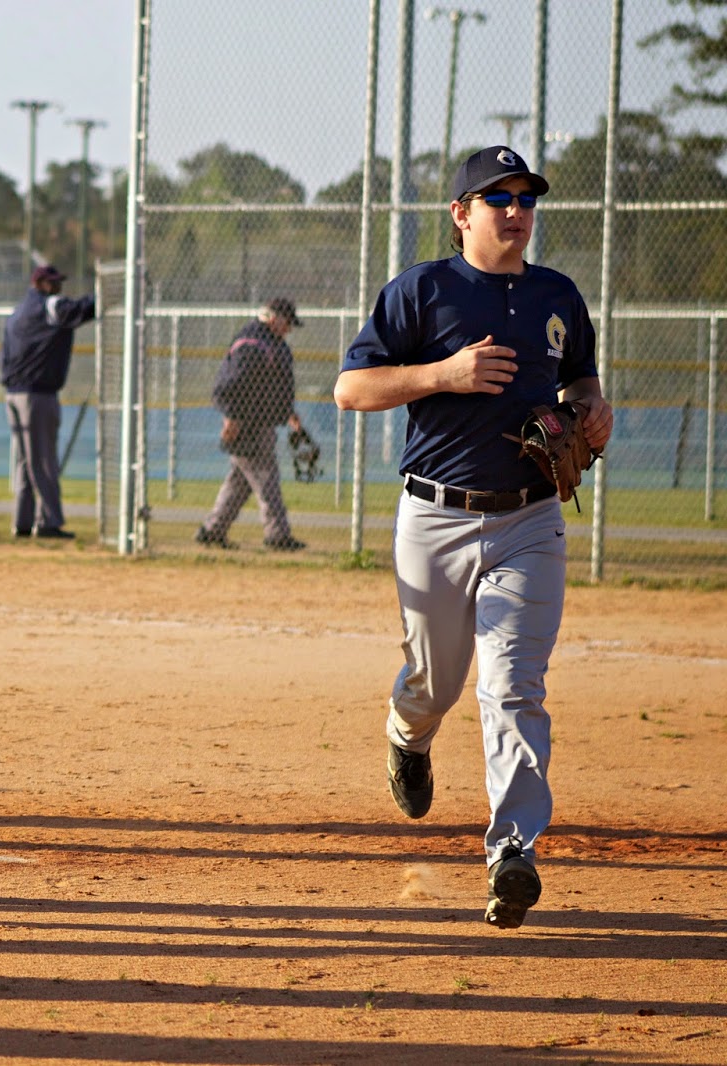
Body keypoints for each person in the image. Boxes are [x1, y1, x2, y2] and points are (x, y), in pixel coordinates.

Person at [335, 145, 613, 930]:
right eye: (499, 199)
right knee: (439, 681)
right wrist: (442, 374)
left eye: (526, 198)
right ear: (462, 214)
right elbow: (351, 388)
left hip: (529, 517)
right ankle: (408, 733)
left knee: (514, 683)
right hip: (434, 517)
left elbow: (581, 380)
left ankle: (512, 850)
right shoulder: (422, 290)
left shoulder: (558, 294)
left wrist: (593, 410)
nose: (517, 212)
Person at [195, 297, 307, 551]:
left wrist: (289, 413)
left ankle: (212, 530)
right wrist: (231, 418)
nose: (289, 329)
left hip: (261, 421)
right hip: (248, 425)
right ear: (274, 317)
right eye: (287, 323)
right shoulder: (253, 343)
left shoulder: (271, 343)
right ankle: (277, 535)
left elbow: (274, 385)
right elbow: (230, 385)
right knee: (267, 480)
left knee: (239, 483)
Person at [0, 263, 96, 539]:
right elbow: (79, 310)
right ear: (41, 283)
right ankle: (49, 523)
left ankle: (23, 522)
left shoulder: (17, 312)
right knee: (42, 459)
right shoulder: (50, 305)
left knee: (25, 460)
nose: (59, 287)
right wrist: (106, 294)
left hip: (13, 394)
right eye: (54, 282)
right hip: (37, 395)